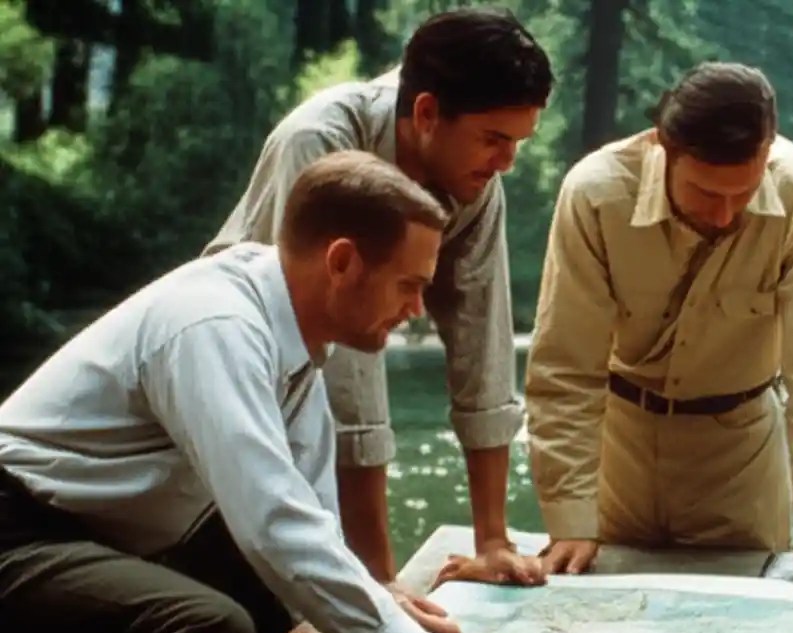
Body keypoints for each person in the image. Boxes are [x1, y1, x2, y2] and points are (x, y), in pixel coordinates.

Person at [0, 151, 531, 633]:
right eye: (408, 284)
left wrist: (351, 607)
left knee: (286, 630)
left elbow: (308, 508)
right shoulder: (215, 324)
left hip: (85, 538)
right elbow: (270, 516)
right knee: (206, 631)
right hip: (19, 533)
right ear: (343, 261)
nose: (416, 309)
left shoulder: (289, 324)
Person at [204, 7, 555, 590]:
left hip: (308, 395)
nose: (507, 162)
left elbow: (483, 343)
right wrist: (379, 584)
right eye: (494, 139)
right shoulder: (320, 141)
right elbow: (346, 366)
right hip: (243, 384)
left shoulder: (475, 178)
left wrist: (492, 541)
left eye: (518, 141)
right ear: (426, 114)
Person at [524, 62, 793, 585]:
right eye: (707, 193)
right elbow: (565, 370)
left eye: (744, 193)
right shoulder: (595, 193)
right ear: (664, 146)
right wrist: (572, 515)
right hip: (621, 452)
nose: (727, 215)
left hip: (740, 456)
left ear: (768, 148)